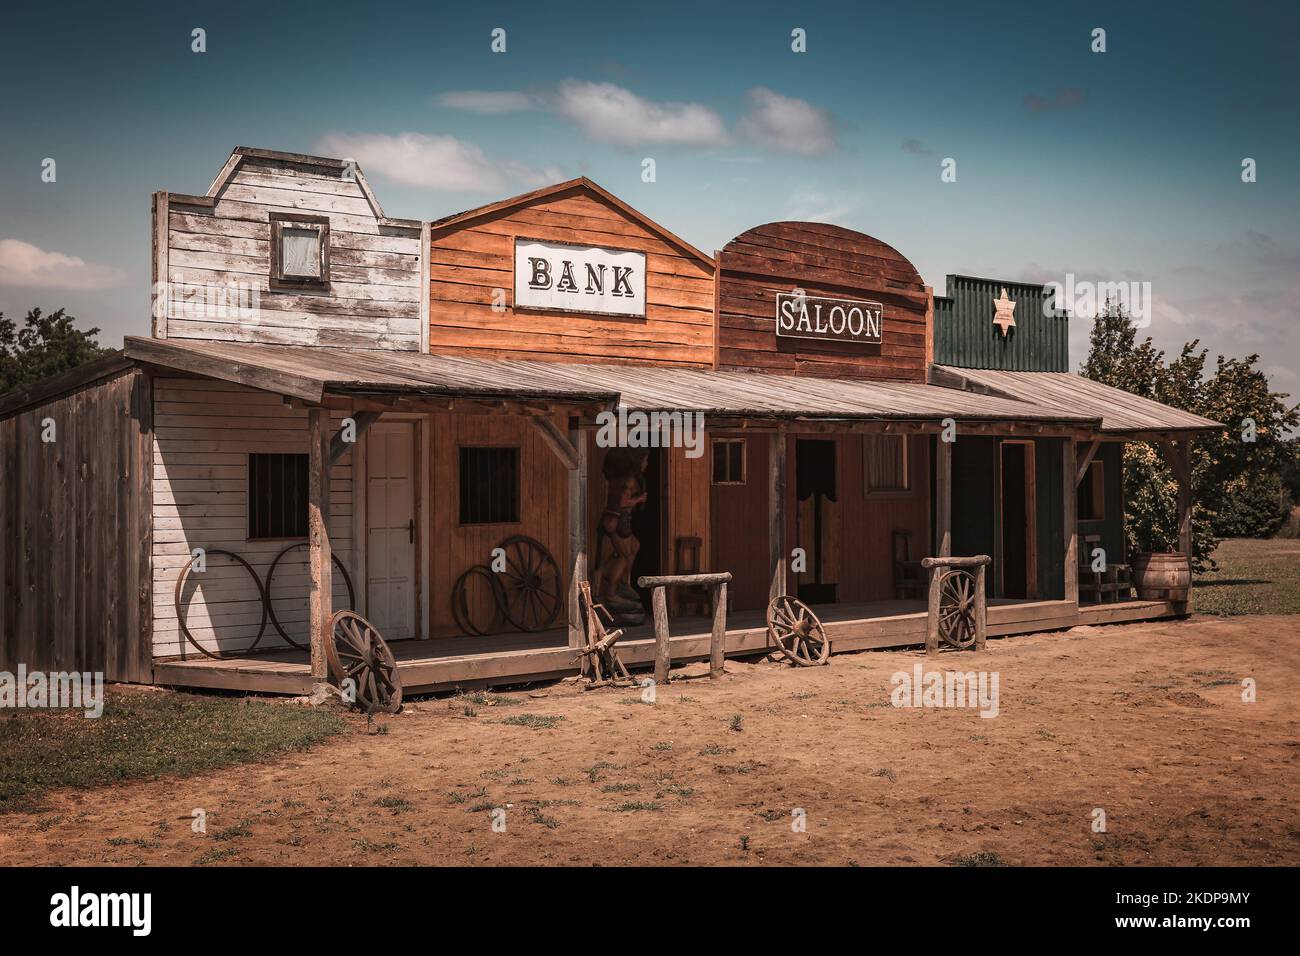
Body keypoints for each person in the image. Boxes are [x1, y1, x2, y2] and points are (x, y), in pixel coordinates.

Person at [594, 448, 649, 619]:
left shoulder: (618, 478)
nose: (647, 464)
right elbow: (623, 502)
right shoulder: (630, 480)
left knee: (635, 545)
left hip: (615, 519)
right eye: (645, 460)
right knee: (624, 555)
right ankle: (611, 591)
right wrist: (638, 500)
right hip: (616, 520)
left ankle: (622, 581)